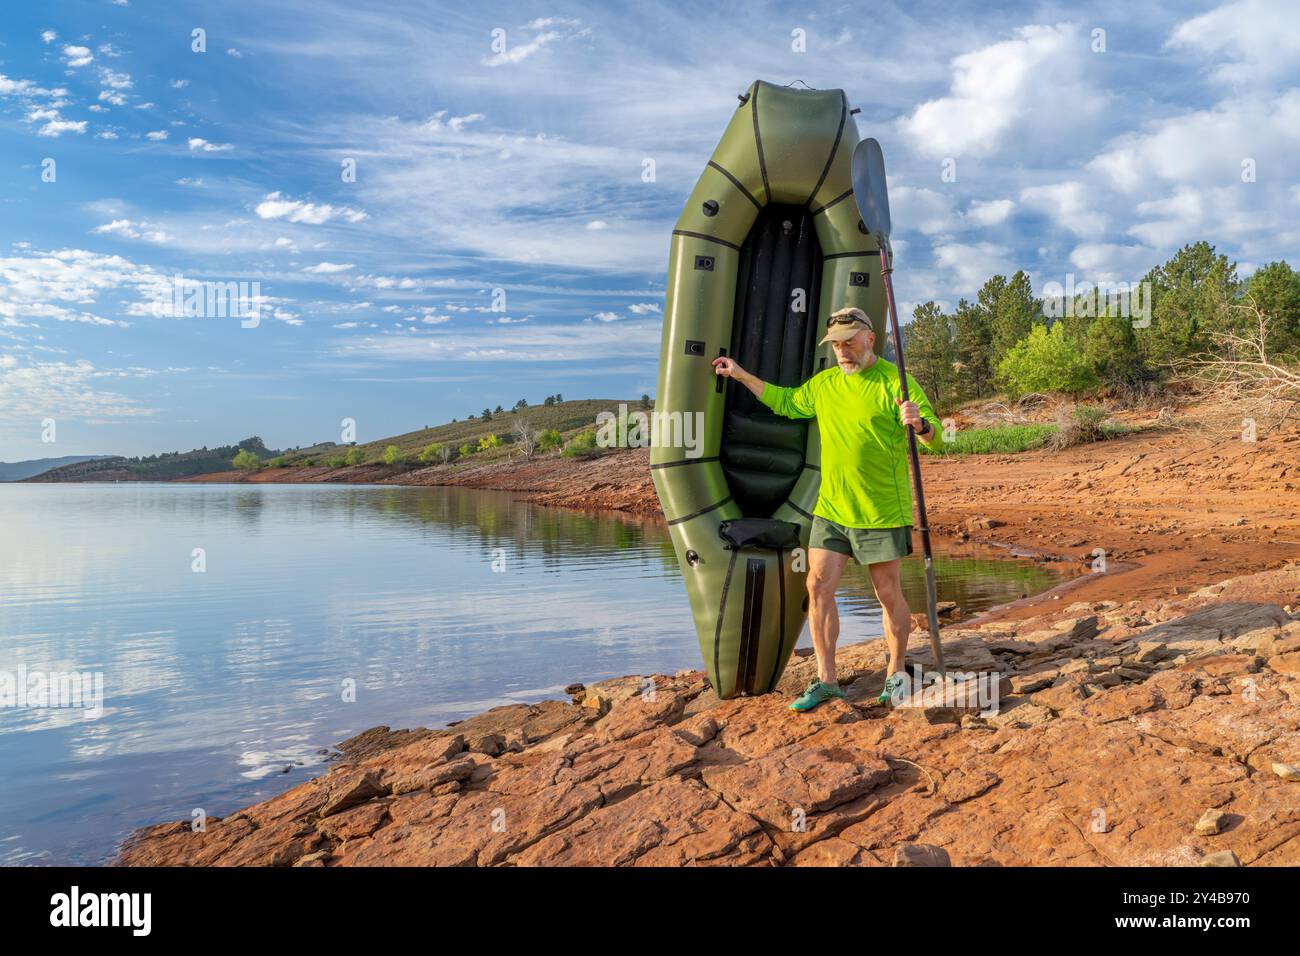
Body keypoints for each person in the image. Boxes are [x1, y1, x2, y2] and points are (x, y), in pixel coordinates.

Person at [711, 306, 943, 711]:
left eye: (849, 341)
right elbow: (785, 402)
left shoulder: (896, 382)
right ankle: (826, 680)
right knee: (817, 586)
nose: (842, 350)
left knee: (887, 593)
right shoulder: (824, 385)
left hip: (881, 510)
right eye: (836, 344)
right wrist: (741, 373)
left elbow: (936, 439)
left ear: (870, 339)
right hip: (832, 508)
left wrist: (920, 424)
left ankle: (896, 673)